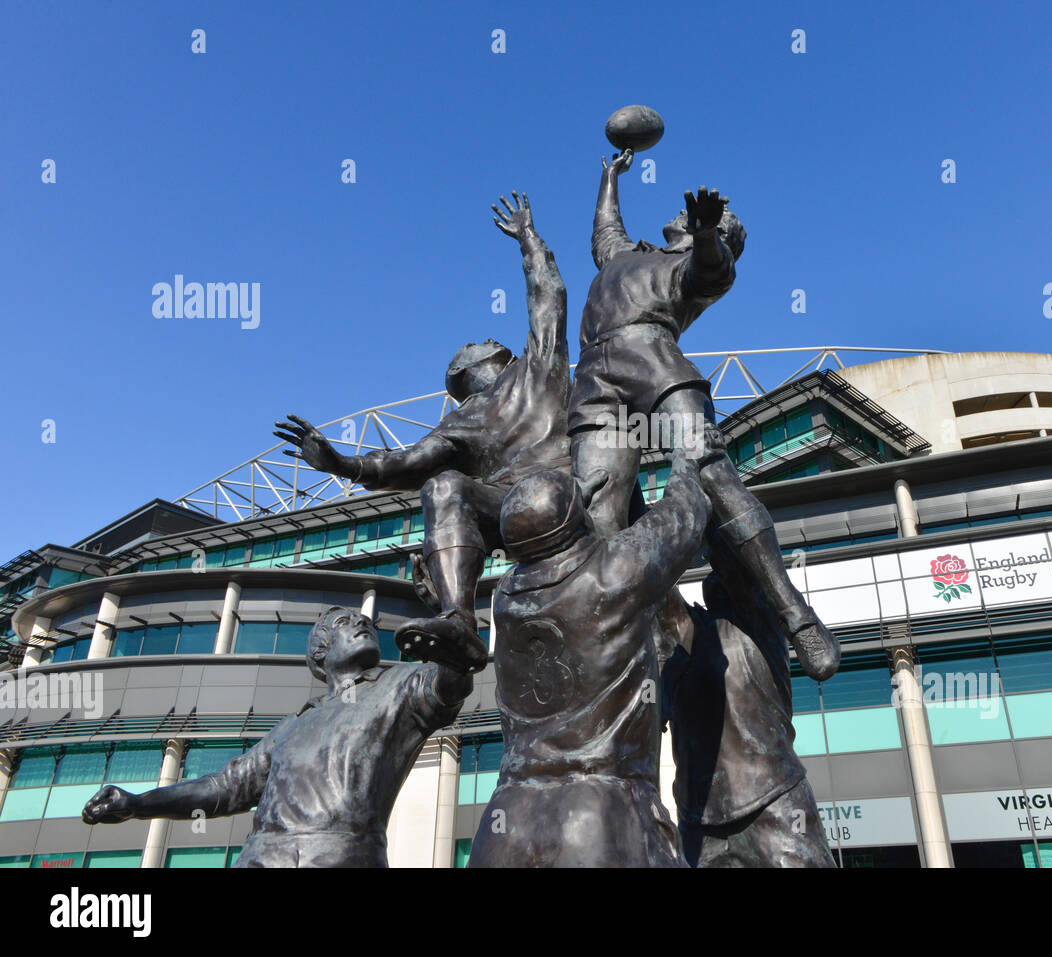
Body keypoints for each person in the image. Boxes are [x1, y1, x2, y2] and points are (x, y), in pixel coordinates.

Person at [567, 150, 839, 681]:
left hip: (654, 363)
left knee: (709, 470)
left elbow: (711, 269)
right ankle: (630, 648)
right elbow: (604, 231)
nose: (681, 216)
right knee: (598, 512)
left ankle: (796, 616)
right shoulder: (626, 256)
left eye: (699, 223)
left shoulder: (694, 268)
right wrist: (608, 176)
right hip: (595, 380)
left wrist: (711, 234)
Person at [274, 193, 569, 667]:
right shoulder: (457, 422)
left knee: (450, 483)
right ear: (469, 368)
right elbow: (403, 463)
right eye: (482, 342)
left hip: (557, 494)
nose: (494, 339)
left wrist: (528, 239)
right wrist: (339, 464)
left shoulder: (538, 368)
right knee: (444, 485)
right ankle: (459, 619)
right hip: (510, 513)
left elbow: (548, 296)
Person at [467, 438, 717, 867]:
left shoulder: (506, 596)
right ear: (573, 521)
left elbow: (541, 540)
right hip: (598, 806)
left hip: (507, 814)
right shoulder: (614, 571)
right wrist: (687, 461)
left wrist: (570, 502)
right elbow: (684, 517)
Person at [81, 606, 472, 867]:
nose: (361, 623)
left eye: (366, 622)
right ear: (320, 653)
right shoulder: (291, 726)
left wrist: (453, 632)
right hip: (261, 858)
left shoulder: (399, 686)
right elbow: (224, 787)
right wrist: (138, 803)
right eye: (342, 622)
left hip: (339, 857)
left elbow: (452, 681)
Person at [660, 533, 836, 867]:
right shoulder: (684, 633)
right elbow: (654, 579)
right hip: (698, 815)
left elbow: (740, 553)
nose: (713, 578)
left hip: (773, 799)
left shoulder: (759, 626)